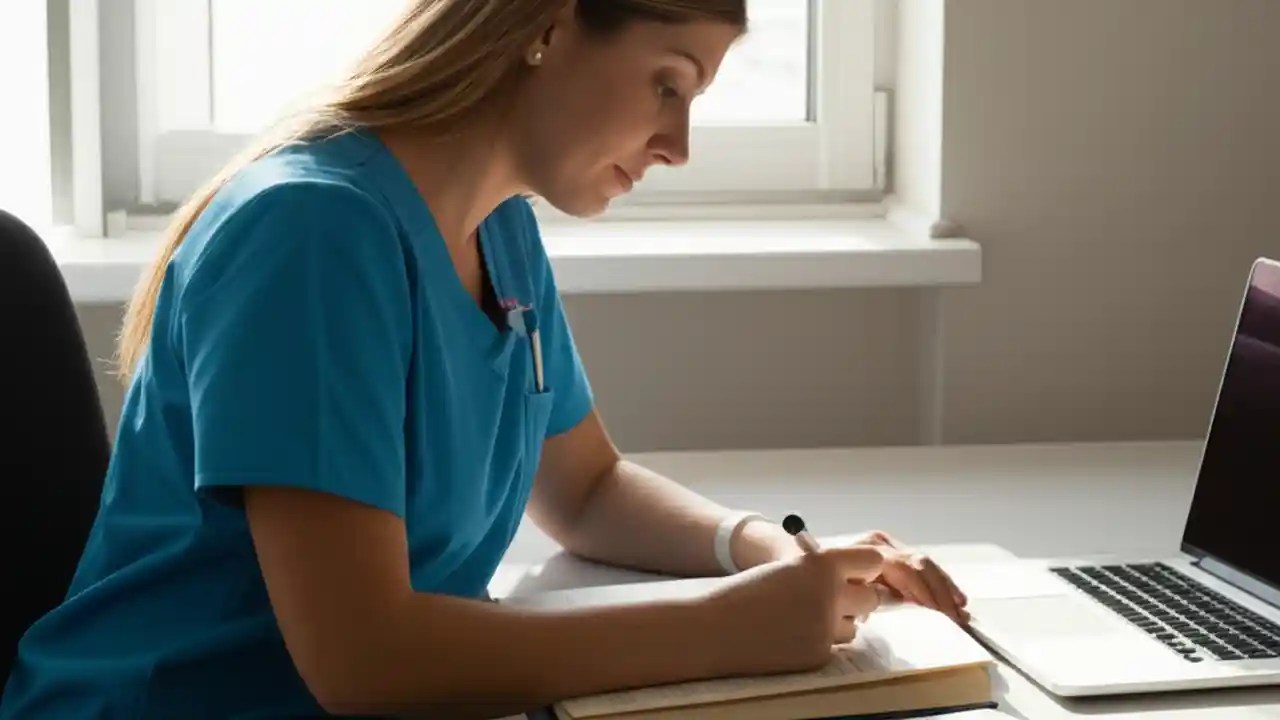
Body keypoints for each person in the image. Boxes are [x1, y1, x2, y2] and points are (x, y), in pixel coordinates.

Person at [1, 1, 969, 717]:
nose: (677, 144)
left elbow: (584, 488)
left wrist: (773, 555)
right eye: (665, 83)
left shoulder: (497, 228)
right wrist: (729, 627)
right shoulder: (310, 235)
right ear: (545, 26)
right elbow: (364, 660)